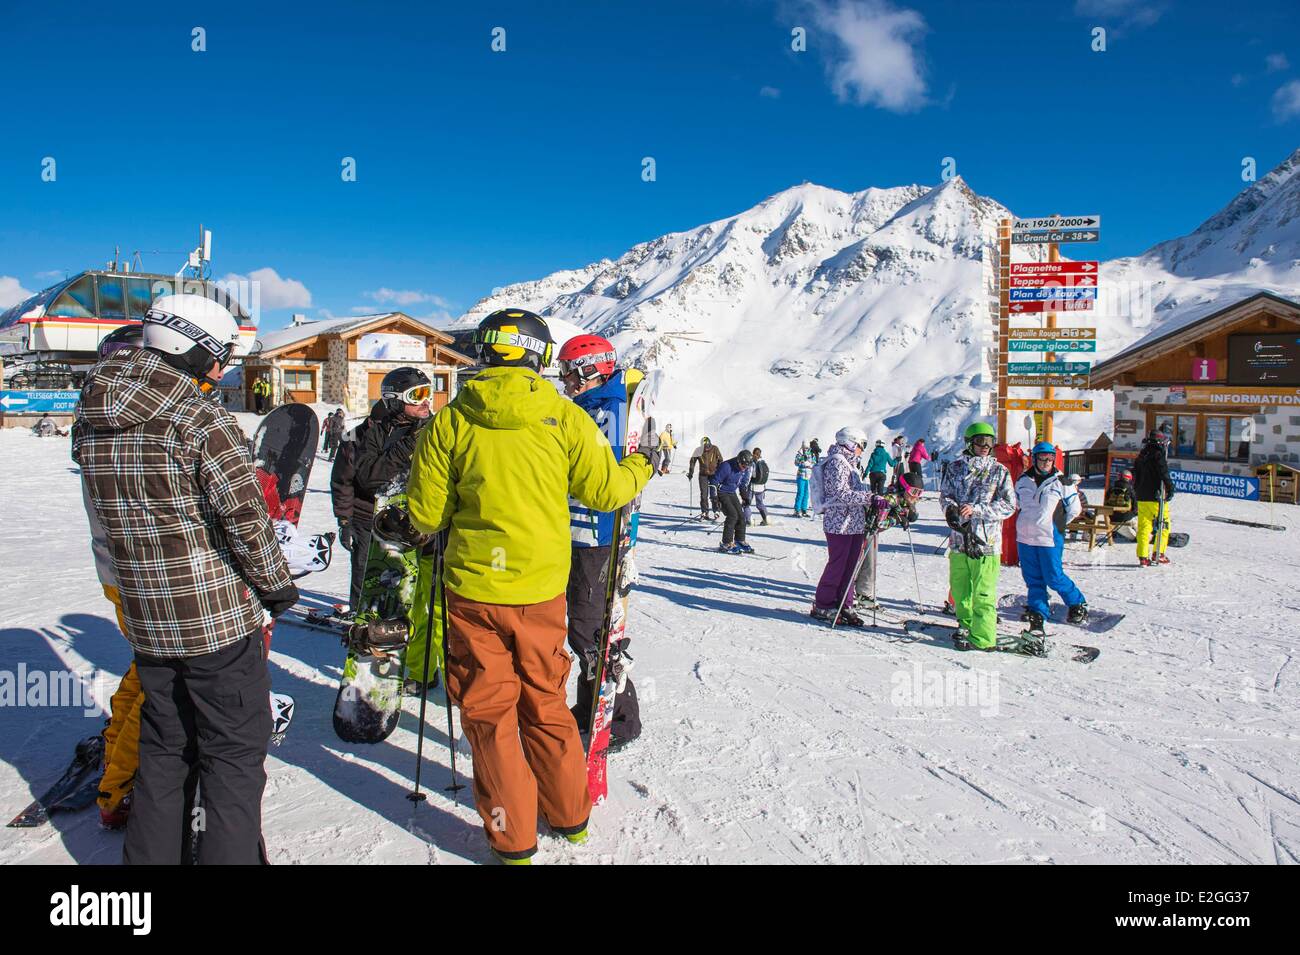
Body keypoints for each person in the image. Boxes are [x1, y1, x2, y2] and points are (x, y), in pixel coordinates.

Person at [407, 308, 651, 864]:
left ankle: (512, 837)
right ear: (538, 355)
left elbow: (425, 512)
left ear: (486, 351)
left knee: (490, 714)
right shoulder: (563, 417)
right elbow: (606, 490)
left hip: (473, 589)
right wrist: (642, 466)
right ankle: (571, 816)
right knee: (545, 700)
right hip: (541, 590)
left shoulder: (449, 421)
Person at [73, 293, 297, 864]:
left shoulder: (95, 409)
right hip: (214, 618)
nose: (220, 370)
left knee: (166, 748)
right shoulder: (199, 417)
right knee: (232, 756)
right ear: (192, 349)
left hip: (145, 613)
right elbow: (243, 514)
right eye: (218, 356)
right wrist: (275, 583)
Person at [557, 333, 644, 752]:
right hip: (576, 531)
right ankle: (592, 707)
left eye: (571, 372)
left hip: (597, 535)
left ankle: (618, 719)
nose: (565, 381)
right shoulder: (586, 407)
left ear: (594, 369)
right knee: (581, 626)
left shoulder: (608, 410)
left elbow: (602, 479)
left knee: (591, 630)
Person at [351, 366, 440, 692]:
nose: (426, 402)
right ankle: (406, 669)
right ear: (393, 400)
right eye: (417, 396)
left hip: (433, 533)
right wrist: (405, 449)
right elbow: (368, 477)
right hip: (392, 536)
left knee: (436, 610)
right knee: (403, 606)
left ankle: (435, 672)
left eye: (429, 393)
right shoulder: (373, 430)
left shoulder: (436, 427)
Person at [940, 422, 1016, 651]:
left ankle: (983, 637)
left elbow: (1009, 505)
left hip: (986, 542)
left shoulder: (999, 471)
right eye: (980, 441)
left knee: (983, 592)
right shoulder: (955, 468)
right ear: (969, 444)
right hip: (959, 540)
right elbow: (946, 496)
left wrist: (978, 510)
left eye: (990, 441)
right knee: (960, 587)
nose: (985, 446)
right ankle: (965, 624)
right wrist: (950, 509)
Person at [1015, 442, 1088, 628]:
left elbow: (1074, 509)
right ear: (1034, 459)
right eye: (1042, 458)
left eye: (1050, 459)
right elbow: (1016, 504)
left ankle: (1077, 603)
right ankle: (1038, 609)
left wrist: (1057, 526)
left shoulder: (1061, 482)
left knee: (1053, 576)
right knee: (1032, 578)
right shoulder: (1023, 481)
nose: (1046, 462)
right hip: (1025, 537)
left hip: (1049, 537)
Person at [810, 427, 875, 626]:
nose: (862, 450)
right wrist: (869, 498)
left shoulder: (851, 464)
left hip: (854, 523)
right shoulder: (836, 463)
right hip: (838, 523)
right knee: (838, 565)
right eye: (861, 445)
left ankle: (844, 604)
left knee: (851, 566)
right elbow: (839, 494)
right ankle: (824, 603)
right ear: (851, 442)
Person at [1133, 429, 1175, 566]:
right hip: (1156, 496)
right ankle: (1159, 552)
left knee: (1144, 526)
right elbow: (1163, 472)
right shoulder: (1158, 454)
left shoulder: (1142, 454)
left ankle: (1143, 556)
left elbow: (1136, 475)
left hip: (1142, 495)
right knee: (1164, 524)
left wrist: (1136, 491)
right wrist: (1170, 488)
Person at [713, 450, 754, 554]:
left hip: (731, 492)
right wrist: (714, 499)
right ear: (739, 461)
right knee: (732, 515)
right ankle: (726, 543)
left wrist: (744, 496)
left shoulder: (745, 468)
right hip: (721, 492)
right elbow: (713, 482)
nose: (744, 468)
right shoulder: (726, 466)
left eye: (746, 466)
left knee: (741, 516)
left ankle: (739, 540)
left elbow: (743, 483)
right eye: (743, 466)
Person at [687, 436, 723, 520]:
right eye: (705, 447)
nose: (706, 449)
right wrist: (691, 473)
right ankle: (704, 512)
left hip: (714, 474)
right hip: (703, 474)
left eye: (708, 447)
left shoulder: (715, 448)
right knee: (704, 494)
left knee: (713, 493)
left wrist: (720, 472)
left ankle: (716, 510)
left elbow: (720, 460)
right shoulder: (698, 450)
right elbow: (692, 461)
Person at [743, 447, 770, 526]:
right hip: (761, 487)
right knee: (760, 503)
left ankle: (749, 520)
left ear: (754, 454)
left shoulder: (752, 463)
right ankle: (766, 518)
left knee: (746, 504)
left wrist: (745, 485)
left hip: (752, 487)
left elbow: (749, 475)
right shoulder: (763, 462)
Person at [793, 442, 815, 517]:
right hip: (801, 475)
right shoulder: (799, 453)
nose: (805, 449)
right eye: (804, 447)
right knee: (800, 492)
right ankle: (797, 509)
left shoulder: (811, 453)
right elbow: (796, 462)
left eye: (807, 447)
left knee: (806, 493)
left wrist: (810, 464)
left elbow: (814, 462)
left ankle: (804, 509)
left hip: (808, 476)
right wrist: (802, 463)